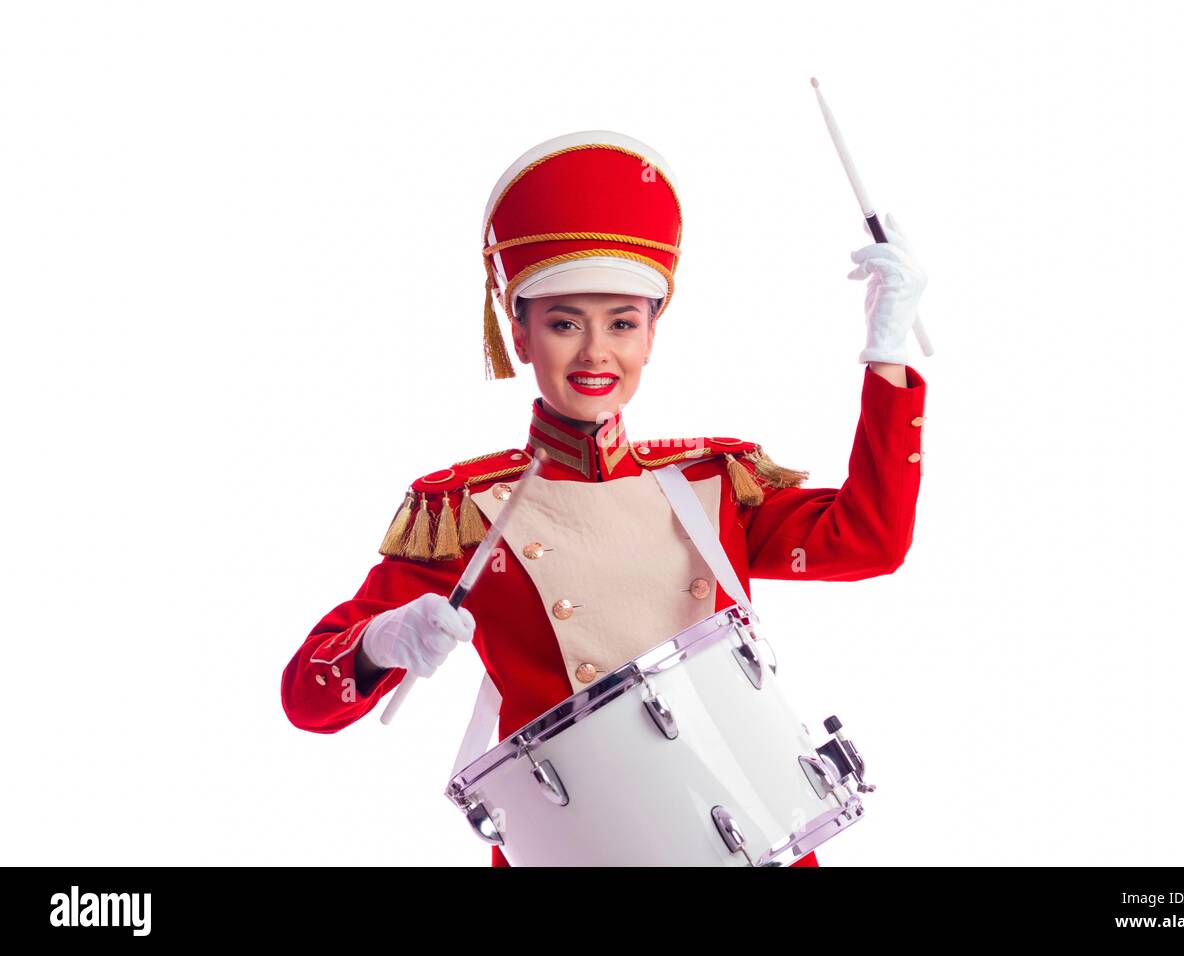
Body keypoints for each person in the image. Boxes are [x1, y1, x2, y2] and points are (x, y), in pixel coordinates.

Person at [281, 130, 930, 868]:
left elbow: (868, 541)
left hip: (753, 842)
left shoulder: (710, 484)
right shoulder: (464, 513)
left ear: (653, 333)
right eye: (564, 322)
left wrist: (886, 352)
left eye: (622, 322)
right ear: (519, 334)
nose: (596, 351)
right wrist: (380, 642)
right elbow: (307, 699)